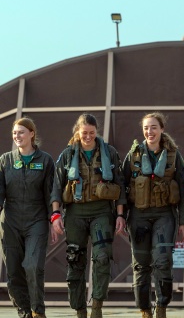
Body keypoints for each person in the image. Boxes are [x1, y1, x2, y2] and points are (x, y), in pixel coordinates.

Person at [50, 113, 127, 318]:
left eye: (92, 133)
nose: (88, 137)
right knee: (75, 259)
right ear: (78, 131)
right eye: (84, 133)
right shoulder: (67, 155)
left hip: (102, 212)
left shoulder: (109, 153)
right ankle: (79, 309)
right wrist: (56, 215)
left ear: (97, 132)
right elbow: (57, 187)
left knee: (102, 258)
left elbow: (120, 185)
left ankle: (97, 307)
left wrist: (120, 216)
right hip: (75, 213)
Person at [122, 112, 184, 318]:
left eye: (153, 127)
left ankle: (161, 306)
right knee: (141, 264)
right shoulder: (133, 155)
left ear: (162, 129)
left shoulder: (173, 155)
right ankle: (144, 309)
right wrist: (121, 217)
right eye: (146, 128)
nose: (149, 131)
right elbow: (122, 188)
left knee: (163, 261)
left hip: (165, 215)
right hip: (138, 216)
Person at [0, 117, 55, 318]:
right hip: (10, 221)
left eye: (21, 132)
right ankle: (24, 312)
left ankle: (37, 311)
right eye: (14, 133)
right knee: (14, 273)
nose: (17, 136)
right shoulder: (5, 160)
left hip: (36, 220)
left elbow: (51, 194)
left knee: (32, 266)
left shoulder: (45, 160)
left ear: (32, 134)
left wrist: (55, 218)